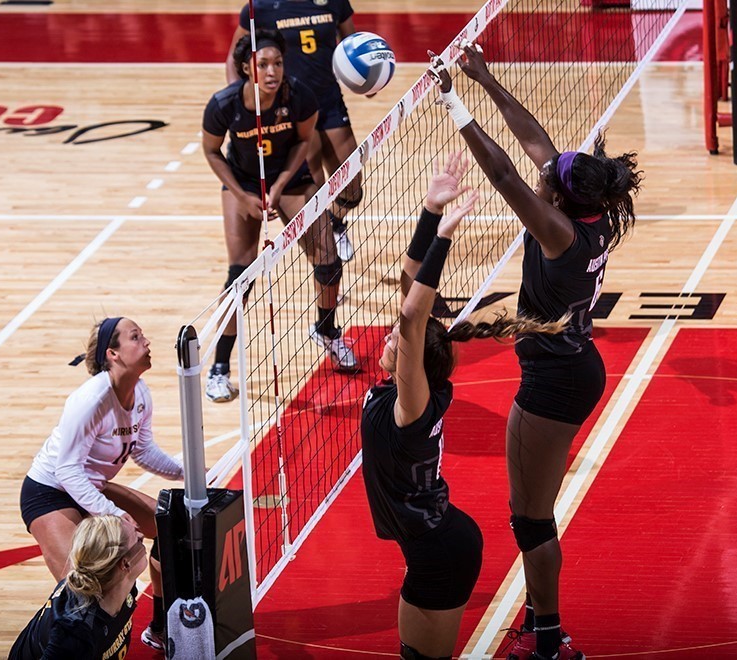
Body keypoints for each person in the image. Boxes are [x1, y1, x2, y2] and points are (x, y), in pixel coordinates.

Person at [429, 43, 642, 660]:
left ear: (559, 195)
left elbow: (504, 175)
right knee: (533, 515)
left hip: (556, 380)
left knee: (530, 518)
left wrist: (452, 100)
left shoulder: (558, 233)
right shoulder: (585, 210)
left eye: (554, 173)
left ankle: (548, 638)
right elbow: (538, 146)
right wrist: (486, 79)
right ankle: (544, 624)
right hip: (572, 365)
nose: (547, 167)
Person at [361, 153, 569, 659]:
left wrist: (446, 237)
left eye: (398, 336)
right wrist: (431, 210)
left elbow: (412, 315)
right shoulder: (424, 386)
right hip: (436, 543)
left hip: (440, 553)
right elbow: (412, 298)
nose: (389, 333)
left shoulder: (411, 409)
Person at [204, 28, 359, 404]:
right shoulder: (224, 104)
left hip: (291, 179)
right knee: (240, 275)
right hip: (242, 180)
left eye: (277, 63)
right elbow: (211, 151)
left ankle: (326, 330)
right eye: (263, 64)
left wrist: (279, 187)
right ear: (246, 68)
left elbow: (305, 142)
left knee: (327, 256)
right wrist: (243, 196)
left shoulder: (298, 95)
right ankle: (219, 367)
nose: (272, 71)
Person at [19, 317, 184, 650]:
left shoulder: (140, 393)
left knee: (170, 530)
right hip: (50, 492)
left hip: (89, 486)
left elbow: (143, 450)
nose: (147, 342)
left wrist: (188, 471)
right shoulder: (91, 400)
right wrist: (112, 514)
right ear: (113, 353)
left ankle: (161, 629)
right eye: (136, 337)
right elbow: (66, 470)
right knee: (80, 593)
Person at [225, 0, 363, 264]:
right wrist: (238, 100)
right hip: (292, 109)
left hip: (330, 103)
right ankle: (327, 264)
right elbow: (234, 59)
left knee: (352, 187)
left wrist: (366, 78)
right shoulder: (260, 7)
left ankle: (335, 222)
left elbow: (352, 44)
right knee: (315, 188)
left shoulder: (333, 2)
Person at [9, 515, 146, 659]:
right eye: (138, 540)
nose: (142, 535)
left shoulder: (122, 584)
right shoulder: (76, 632)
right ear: (125, 564)